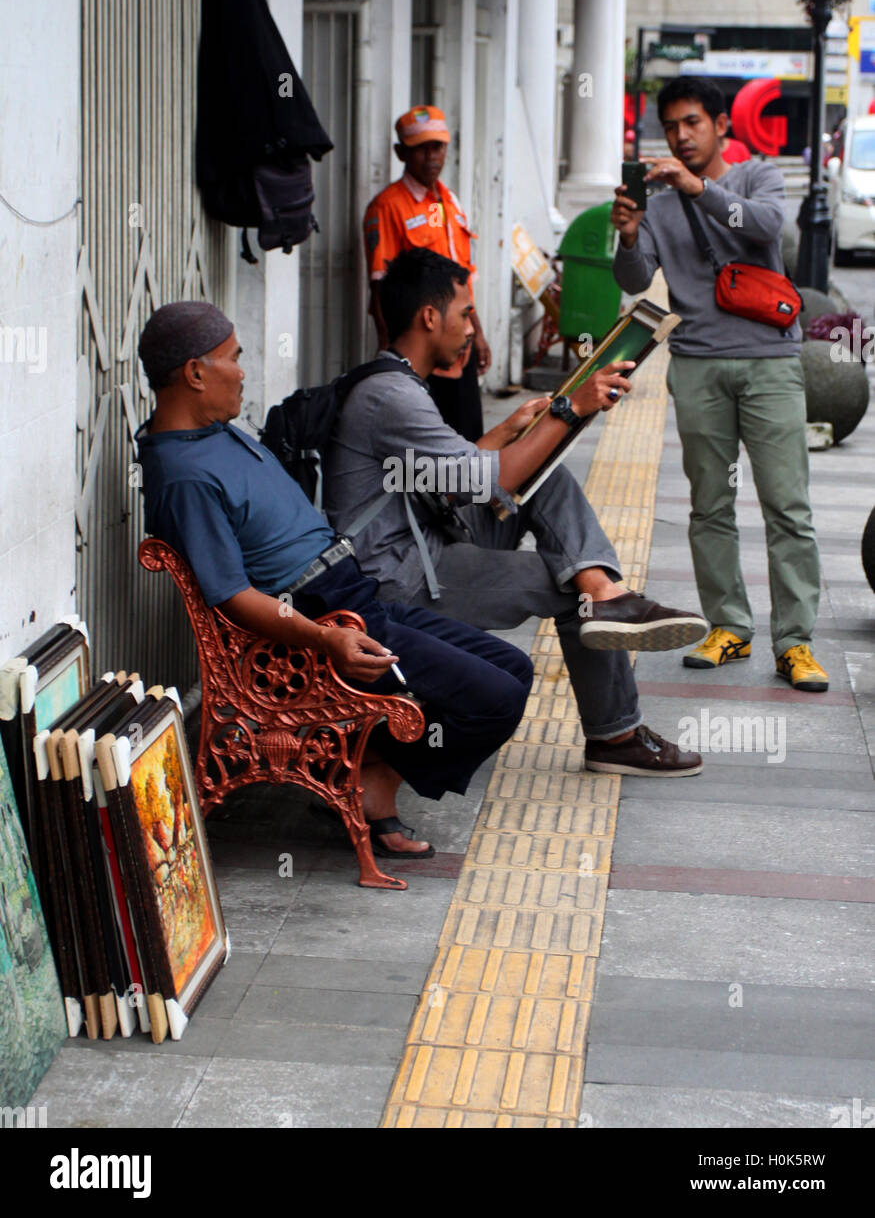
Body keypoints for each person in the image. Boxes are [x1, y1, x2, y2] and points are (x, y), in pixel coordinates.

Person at [134, 301, 534, 858]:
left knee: (515, 667)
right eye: (234, 359)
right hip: (321, 617)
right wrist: (327, 639)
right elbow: (231, 595)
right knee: (494, 699)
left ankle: (354, 769)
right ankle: (368, 781)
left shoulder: (215, 432)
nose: (244, 371)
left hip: (352, 590)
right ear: (196, 374)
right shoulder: (184, 476)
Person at [324, 247, 709, 778]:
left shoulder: (395, 384)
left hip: (427, 542)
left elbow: (449, 482)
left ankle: (605, 593)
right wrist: (570, 408)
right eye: (465, 313)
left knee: (548, 477)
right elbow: (489, 480)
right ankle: (614, 729)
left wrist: (510, 433)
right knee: (567, 581)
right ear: (429, 317)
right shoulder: (391, 396)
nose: (470, 328)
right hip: (400, 580)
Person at [610, 74, 827, 691]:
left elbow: (763, 227)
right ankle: (728, 625)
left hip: (770, 363)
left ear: (720, 125)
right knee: (710, 506)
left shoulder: (758, 174)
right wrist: (627, 232)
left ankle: (796, 642)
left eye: (692, 124)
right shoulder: (655, 199)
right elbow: (633, 279)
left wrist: (698, 189)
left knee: (788, 506)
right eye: (671, 126)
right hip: (698, 364)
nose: (680, 137)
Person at [363, 105, 489, 439]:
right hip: (422, 357)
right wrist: (395, 365)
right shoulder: (387, 206)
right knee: (429, 453)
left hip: (458, 350)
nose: (431, 156)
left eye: (438, 146)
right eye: (420, 147)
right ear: (400, 152)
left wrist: (478, 332)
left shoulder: (449, 202)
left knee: (468, 441)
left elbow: (463, 279)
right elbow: (380, 293)